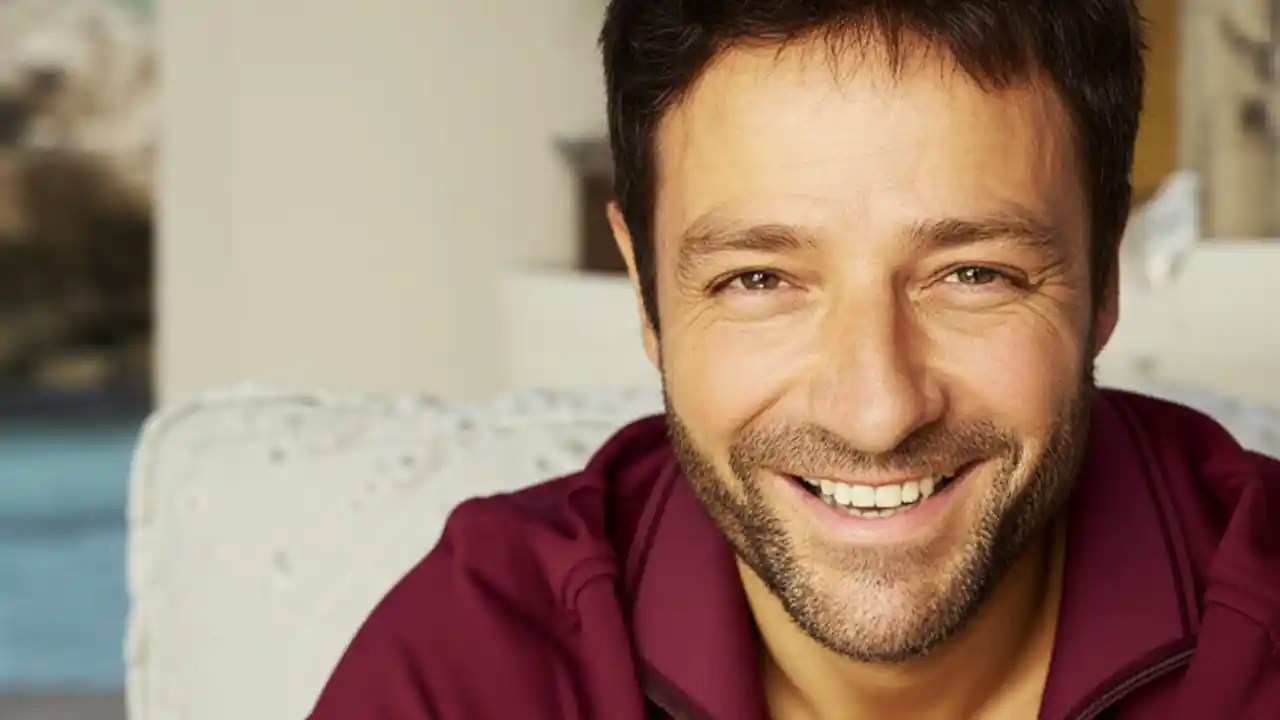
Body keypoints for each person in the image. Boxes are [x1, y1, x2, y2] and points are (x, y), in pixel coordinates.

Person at [309, 1, 1280, 718]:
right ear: (646, 293)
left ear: (1100, 279)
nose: (876, 409)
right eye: (759, 280)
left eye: (972, 273)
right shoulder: (480, 657)